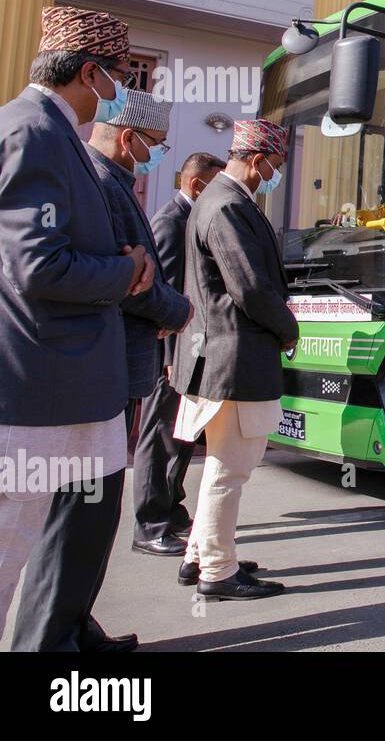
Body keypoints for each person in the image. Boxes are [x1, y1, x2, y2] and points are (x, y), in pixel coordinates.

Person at [12, 89, 192, 652]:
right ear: (126, 134)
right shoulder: (100, 180)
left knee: (91, 520)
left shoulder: (110, 180)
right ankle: (52, 640)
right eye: (154, 146)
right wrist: (177, 311)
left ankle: (74, 625)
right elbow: (130, 280)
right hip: (96, 371)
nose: (154, 156)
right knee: (78, 518)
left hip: (108, 369)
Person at [0, 6, 154, 650]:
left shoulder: (49, 132)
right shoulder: (34, 132)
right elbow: (36, 264)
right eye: (118, 76)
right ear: (88, 72)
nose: (118, 93)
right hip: (40, 390)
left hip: (64, 387)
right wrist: (127, 274)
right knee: (8, 556)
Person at [171, 119, 298, 599]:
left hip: (220, 355)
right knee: (232, 468)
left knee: (221, 465)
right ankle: (218, 572)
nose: (275, 174)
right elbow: (249, 287)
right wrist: (289, 328)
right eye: (276, 165)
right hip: (234, 358)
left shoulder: (223, 200)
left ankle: (200, 554)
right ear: (258, 158)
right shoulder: (226, 204)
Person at [132, 152, 227, 555]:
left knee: (181, 436)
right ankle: (149, 526)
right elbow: (165, 294)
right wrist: (173, 356)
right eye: (215, 185)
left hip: (189, 347)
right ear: (196, 185)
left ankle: (171, 511)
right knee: (158, 435)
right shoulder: (171, 222)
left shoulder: (189, 218)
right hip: (169, 352)